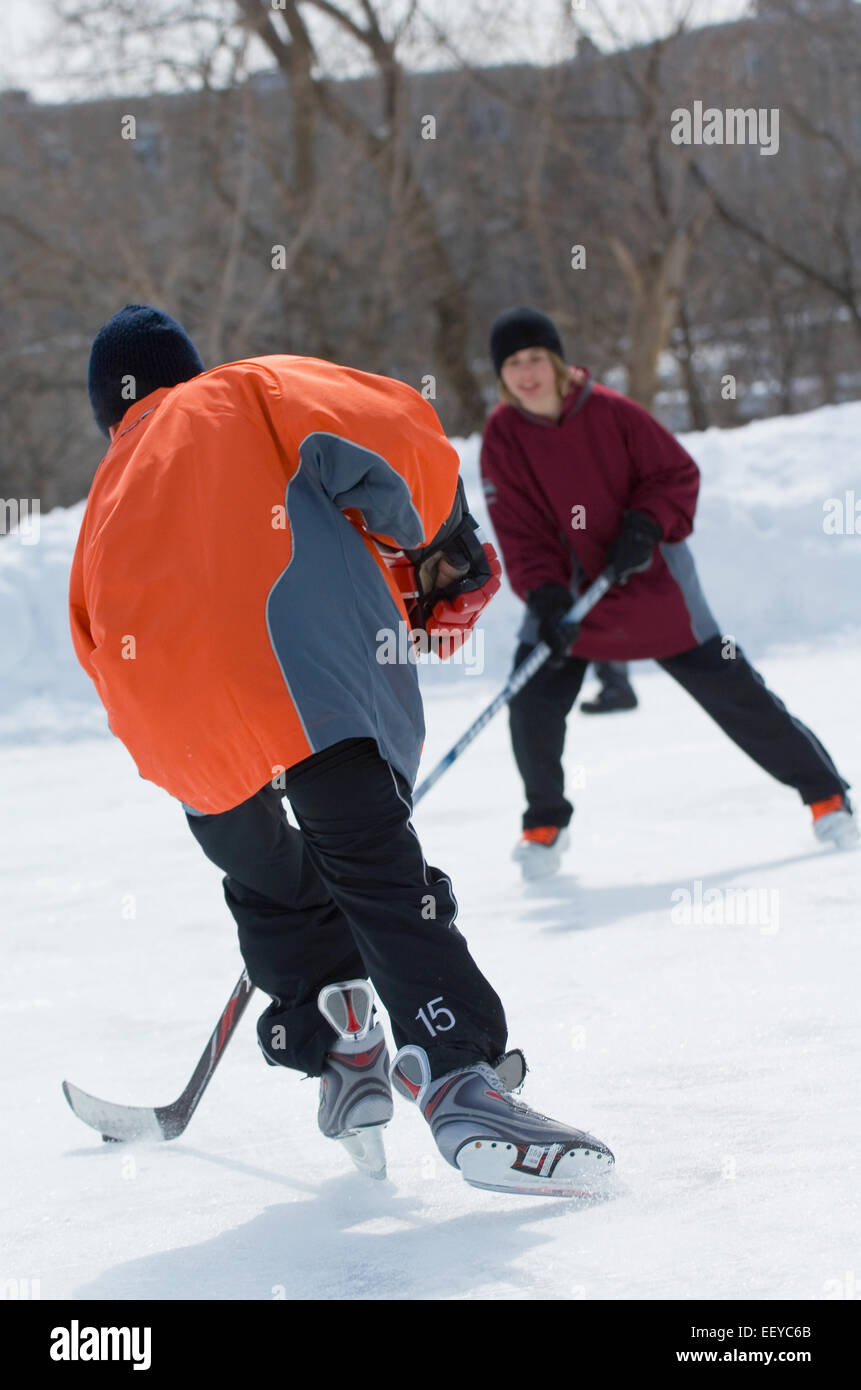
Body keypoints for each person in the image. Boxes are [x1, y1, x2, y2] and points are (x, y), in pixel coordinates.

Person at [68, 304, 615, 1194]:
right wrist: (437, 540)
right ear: (188, 366)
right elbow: (389, 429)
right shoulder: (241, 392)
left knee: (273, 888)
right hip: (301, 675)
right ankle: (453, 1070)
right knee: (372, 870)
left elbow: (89, 639)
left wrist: (181, 737)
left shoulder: (106, 493)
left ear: (108, 411)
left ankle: (340, 1042)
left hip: (176, 729)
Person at [480, 306, 857, 881]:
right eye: (513, 364)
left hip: (651, 580)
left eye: (536, 358)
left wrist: (646, 524)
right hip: (572, 593)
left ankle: (827, 797)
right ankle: (544, 825)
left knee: (734, 692)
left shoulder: (611, 413)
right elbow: (519, 528)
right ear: (501, 375)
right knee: (530, 698)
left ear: (556, 362)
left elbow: (677, 474)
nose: (527, 373)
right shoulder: (503, 438)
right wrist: (547, 595)